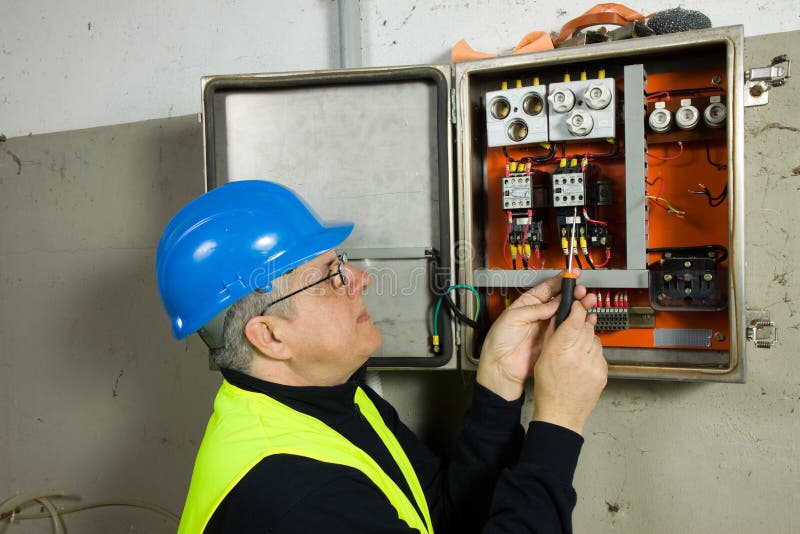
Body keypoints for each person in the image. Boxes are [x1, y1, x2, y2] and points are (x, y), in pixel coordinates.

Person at [156, 180, 607, 534]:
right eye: (331, 277)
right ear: (270, 336)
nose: (360, 280)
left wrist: (500, 381)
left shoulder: (329, 399)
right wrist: (559, 423)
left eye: (343, 262)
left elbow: (440, 516)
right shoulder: (294, 494)